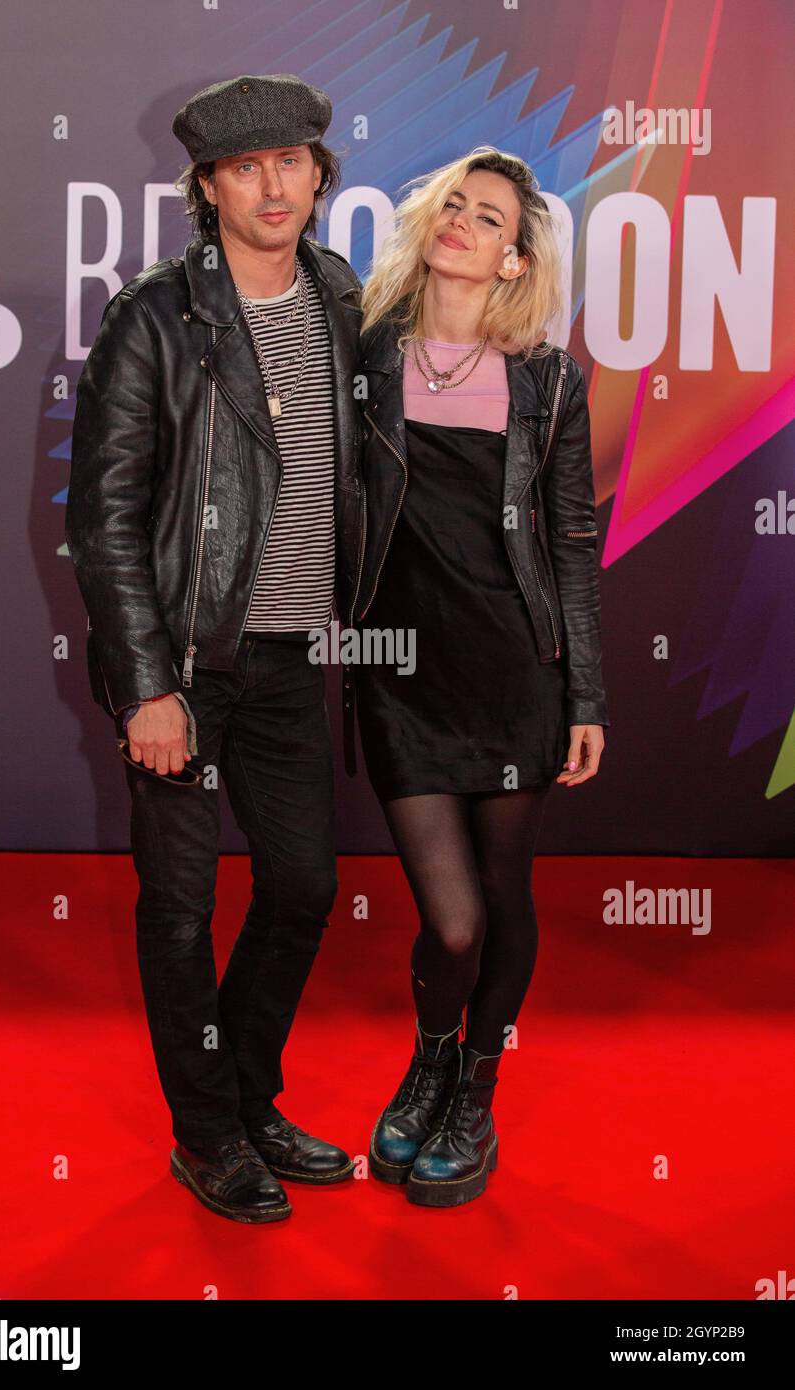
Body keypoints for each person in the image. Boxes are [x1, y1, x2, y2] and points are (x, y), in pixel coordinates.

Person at [65, 74, 365, 1224]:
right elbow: (103, 516)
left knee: (302, 887)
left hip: (290, 655)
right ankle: (205, 1134)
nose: (273, 182)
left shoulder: (338, 296)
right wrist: (146, 686)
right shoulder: (156, 314)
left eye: (290, 160)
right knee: (182, 906)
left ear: (318, 174)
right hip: (183, 670)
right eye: (246, 167)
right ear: (206, 188)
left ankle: (245, 1094)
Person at [348, 146, 610, 1208]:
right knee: (449, 921)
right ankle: (429, 1052)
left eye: (487, 215)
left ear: (513, 259)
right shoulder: (363, 357)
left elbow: (571, 540)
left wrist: (585, 692)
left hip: (513, 673)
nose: (460, 221)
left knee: (504, 898)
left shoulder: (546, 380)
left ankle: (473, 1087)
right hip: (396, 673)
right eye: (450, 203)